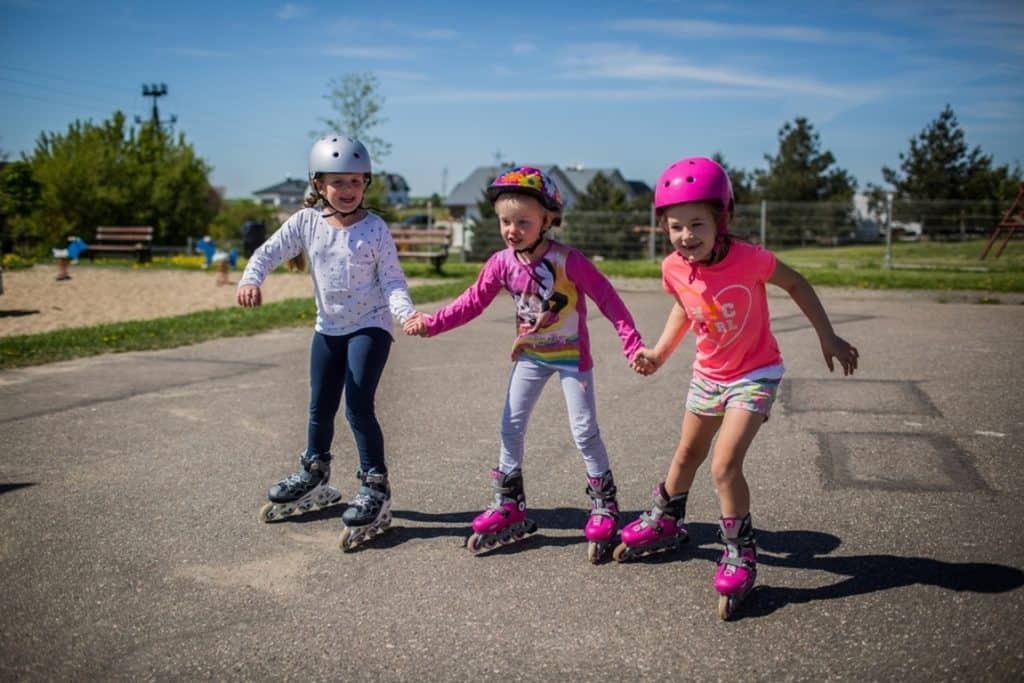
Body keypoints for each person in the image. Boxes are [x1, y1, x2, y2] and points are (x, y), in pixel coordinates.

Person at [615, 156, 859, 618]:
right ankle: (667, 519)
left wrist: (826, 334)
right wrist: (660, 354)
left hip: (755, 373)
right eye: (675, 227)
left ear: (721, 219)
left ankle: (738, 549)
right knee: (686, 455)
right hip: (708, 375)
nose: (686, 236)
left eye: (697, 224)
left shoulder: (751, 259)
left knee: (724, 466)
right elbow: (685, 309)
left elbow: (798, 284)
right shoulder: (673, 267)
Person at [403, 166, 647, 563]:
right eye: (504, 221)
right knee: (510, 425)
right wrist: (432, 324)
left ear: (547, 220)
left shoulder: (569, 261)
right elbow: (471, 301)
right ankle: (509, 502)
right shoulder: (501, 263)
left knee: (584, 430)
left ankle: (605, 504)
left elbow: (609, 300)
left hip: (570, 357)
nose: (512, 230)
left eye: (523, 222)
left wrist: (631, 343)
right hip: (531, 356)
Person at [237, 134, 419, 551]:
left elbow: (392, 279)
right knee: (320, 406)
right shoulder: (306, 223)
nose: (348, 190)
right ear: (319, 185)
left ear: (366, 184)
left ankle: (374, 485)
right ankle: (314, 472)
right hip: (328, 329)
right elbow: (267, 252)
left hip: (370, 327)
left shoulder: (374, 229)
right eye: (338, 183)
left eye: (356, 182)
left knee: (357, 404)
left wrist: (404, 312)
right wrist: (251, 279)